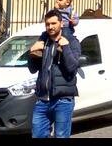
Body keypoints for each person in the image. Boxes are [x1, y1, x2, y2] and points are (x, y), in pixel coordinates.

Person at [27, 9, 81, 138]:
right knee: (37, 135)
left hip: (63, 100)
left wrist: (65, 48)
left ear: (61, 23)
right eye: (47, 24)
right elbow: (32, 69)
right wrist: (31, 52)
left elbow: (72, 68)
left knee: (61, 135)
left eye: (53, 23)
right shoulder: (43, 42)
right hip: (42, 100)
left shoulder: (72, 42)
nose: (50, 27)